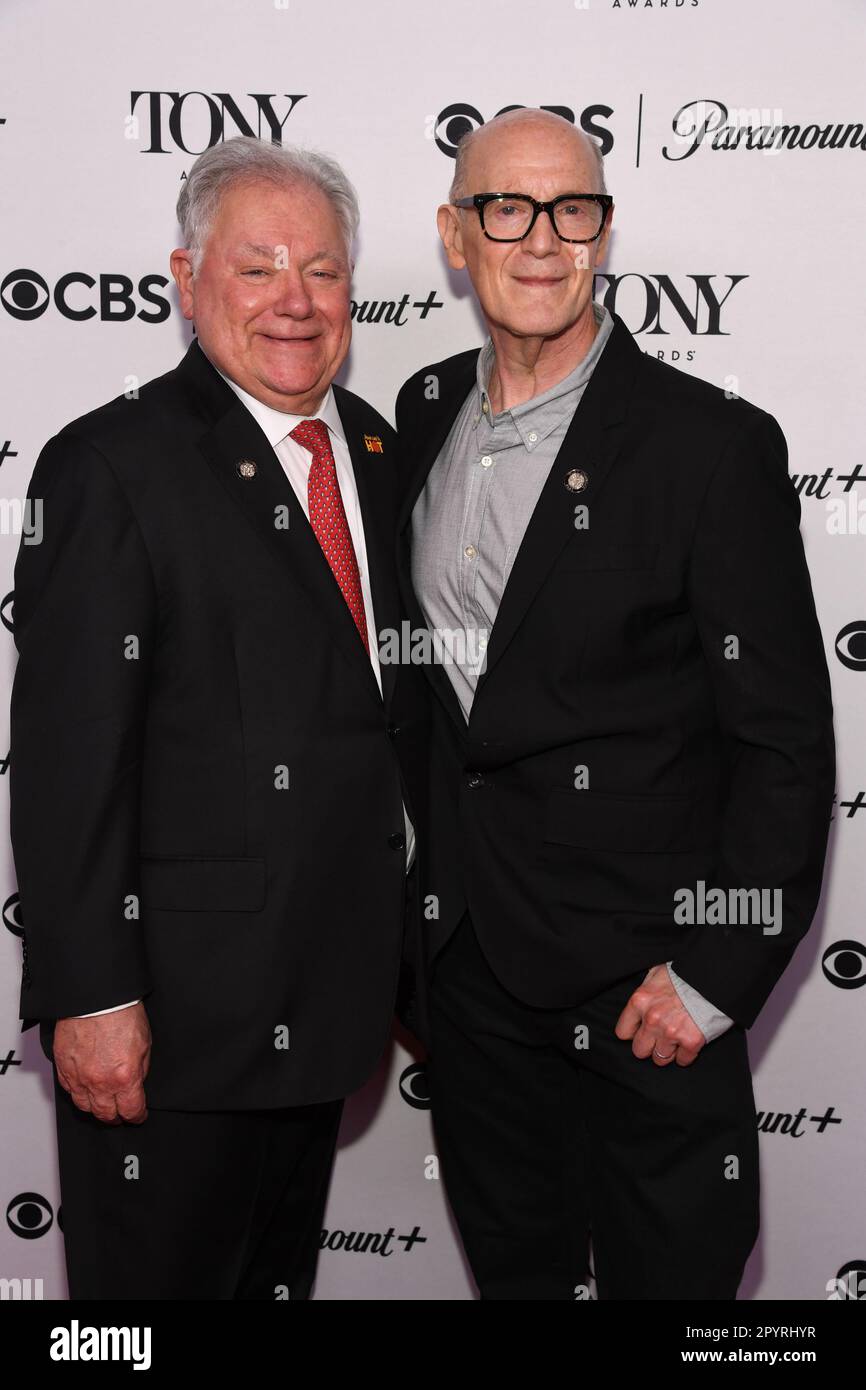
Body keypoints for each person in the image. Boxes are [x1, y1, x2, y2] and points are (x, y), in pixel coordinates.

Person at [395, 108, 834, 1300]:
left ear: (602, 232)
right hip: (474, 976)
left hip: (649, 981)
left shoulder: (709, 445)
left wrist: (714, 969)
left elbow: (783, 743)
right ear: (454, 232)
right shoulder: (423, 408)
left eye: (570, 208)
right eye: (504, 207)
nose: (540, 239)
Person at [10, 135, 426, 1300]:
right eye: (257, 268)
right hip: (173, 1024)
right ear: (186, 280)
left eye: (324, 269)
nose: (295, 301)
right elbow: (65, 761)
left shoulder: (382, 452)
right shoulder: (110, 464)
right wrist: (91, 995)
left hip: (327, 1002)